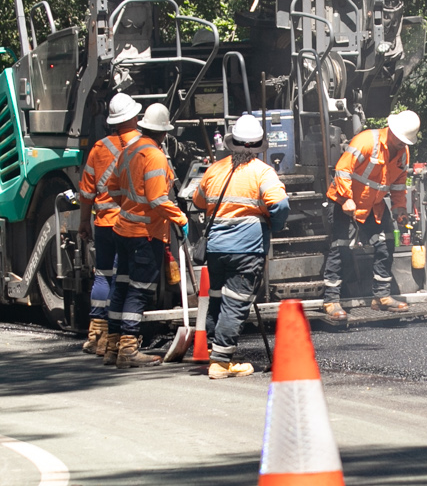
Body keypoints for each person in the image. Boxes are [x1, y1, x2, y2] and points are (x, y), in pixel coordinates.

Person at [189, 115, 290, 378]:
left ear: (232, 143)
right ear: (258, 145)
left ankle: (217, 352)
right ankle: (221, 363)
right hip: (247, 249)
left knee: (217, 300)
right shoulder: (262, 171)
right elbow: (280, 204)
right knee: (236, 302)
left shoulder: (215, 169)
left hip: (216, 249)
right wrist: (273, 225)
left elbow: (199, 202)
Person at [102, 102, 188, 366]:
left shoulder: (128, 150)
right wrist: (180, 218)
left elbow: (112, 187)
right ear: (163, 132)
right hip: (144, 236)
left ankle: (113, 346)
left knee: (121, 287)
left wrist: (129, 206)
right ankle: (128, 348)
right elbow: (157, 199)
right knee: (138, 291)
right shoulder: (155, 156)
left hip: (123, 231)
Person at [322, 109, 419, 321]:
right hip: (343, 202)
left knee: (385, 245)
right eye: (401, 140)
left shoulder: (403, 153)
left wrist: (399, 209)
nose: (403, 144)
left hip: (372, 206)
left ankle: (381, 298)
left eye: (406, 142)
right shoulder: (367, 141)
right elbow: (342, 170)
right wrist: (346, 198)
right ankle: (331, 300)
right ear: (391, 131)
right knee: (340, 249)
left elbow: (399, 185)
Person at [75, 93, 143, 354]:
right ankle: (116, 337)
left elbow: (86, 192)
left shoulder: (99, 148)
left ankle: (96, 335)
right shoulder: (142, 146)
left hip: (103, 223)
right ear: (134, 117)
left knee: (103, 275)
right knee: (123, 279)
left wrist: (83, 222)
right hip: (130, 224)